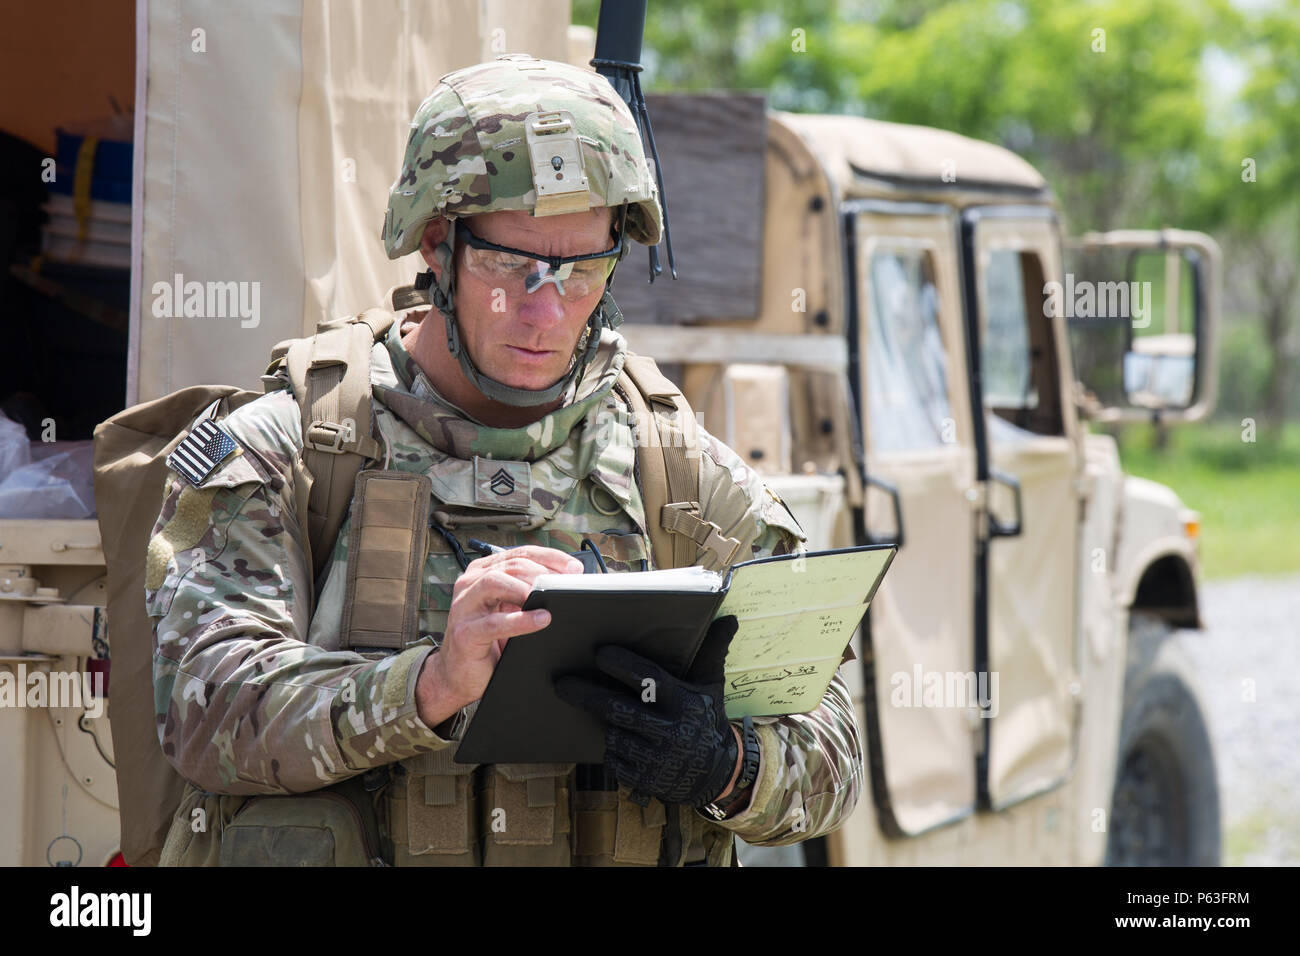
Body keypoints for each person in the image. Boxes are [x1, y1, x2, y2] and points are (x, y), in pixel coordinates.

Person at [144, 54, 863, 866]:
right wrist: (430, 686)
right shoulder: (290, 452)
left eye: (580, 270)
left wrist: (724, 764)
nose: (544, 308)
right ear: (436, 244)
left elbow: (834, 752)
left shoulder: (685, 479)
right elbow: (202, 713)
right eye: (507, 267)